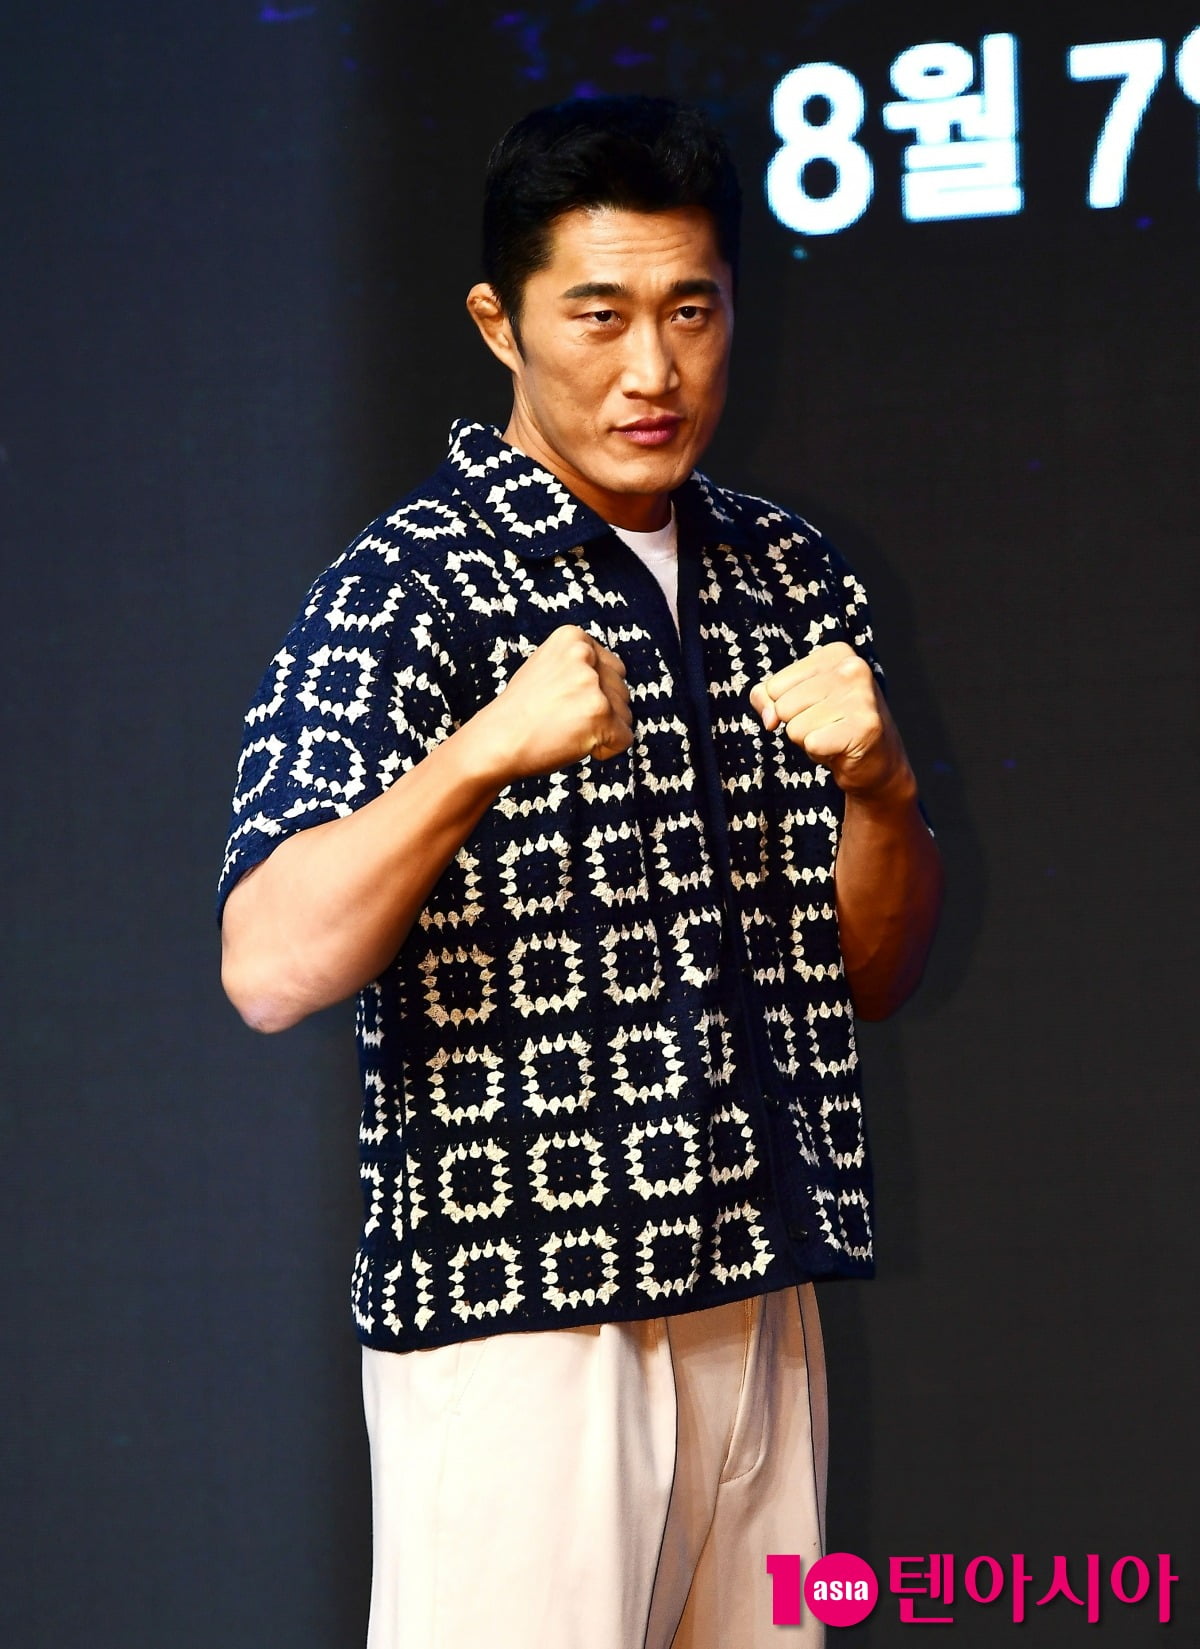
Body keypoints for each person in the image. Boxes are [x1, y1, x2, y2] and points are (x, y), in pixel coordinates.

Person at [218, 95, 941, 1649]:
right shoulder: (405, 585)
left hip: (761, 1290)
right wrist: (478, 753)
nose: (652, 370)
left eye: (692, 310)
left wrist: (884, 791)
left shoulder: (790, 572)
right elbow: (268, 965)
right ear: (501, 323)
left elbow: (874, 973)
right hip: (525, 1317)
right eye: (600, 315)